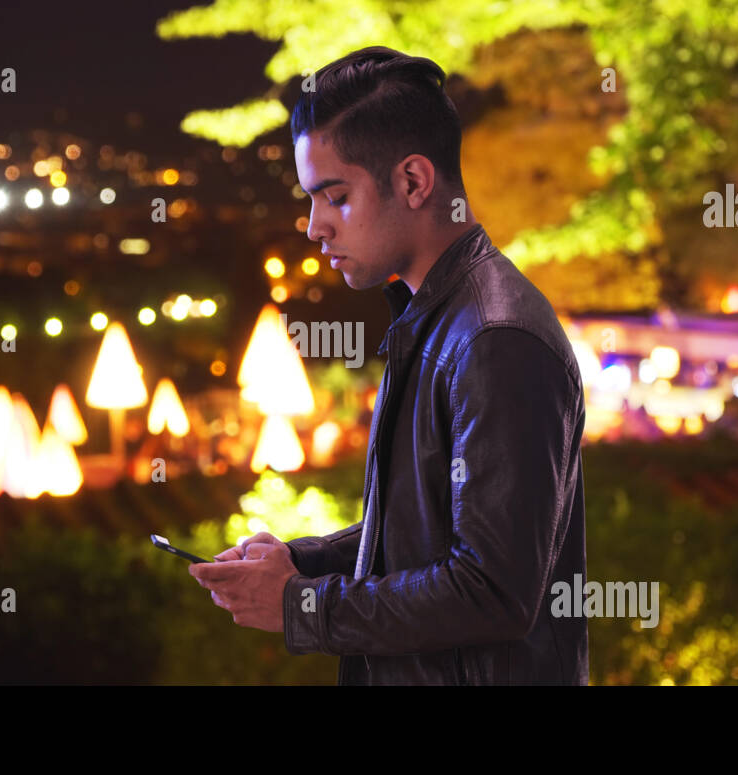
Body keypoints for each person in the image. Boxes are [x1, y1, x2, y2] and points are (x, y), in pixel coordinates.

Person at [190, 45, 589, 685]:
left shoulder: (494, 338)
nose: (314, 226)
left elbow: (491, 591)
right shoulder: (434, 317)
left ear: (412, 181)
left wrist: (300, 605)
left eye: (335, 196)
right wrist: (298, 563)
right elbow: (424, 537)